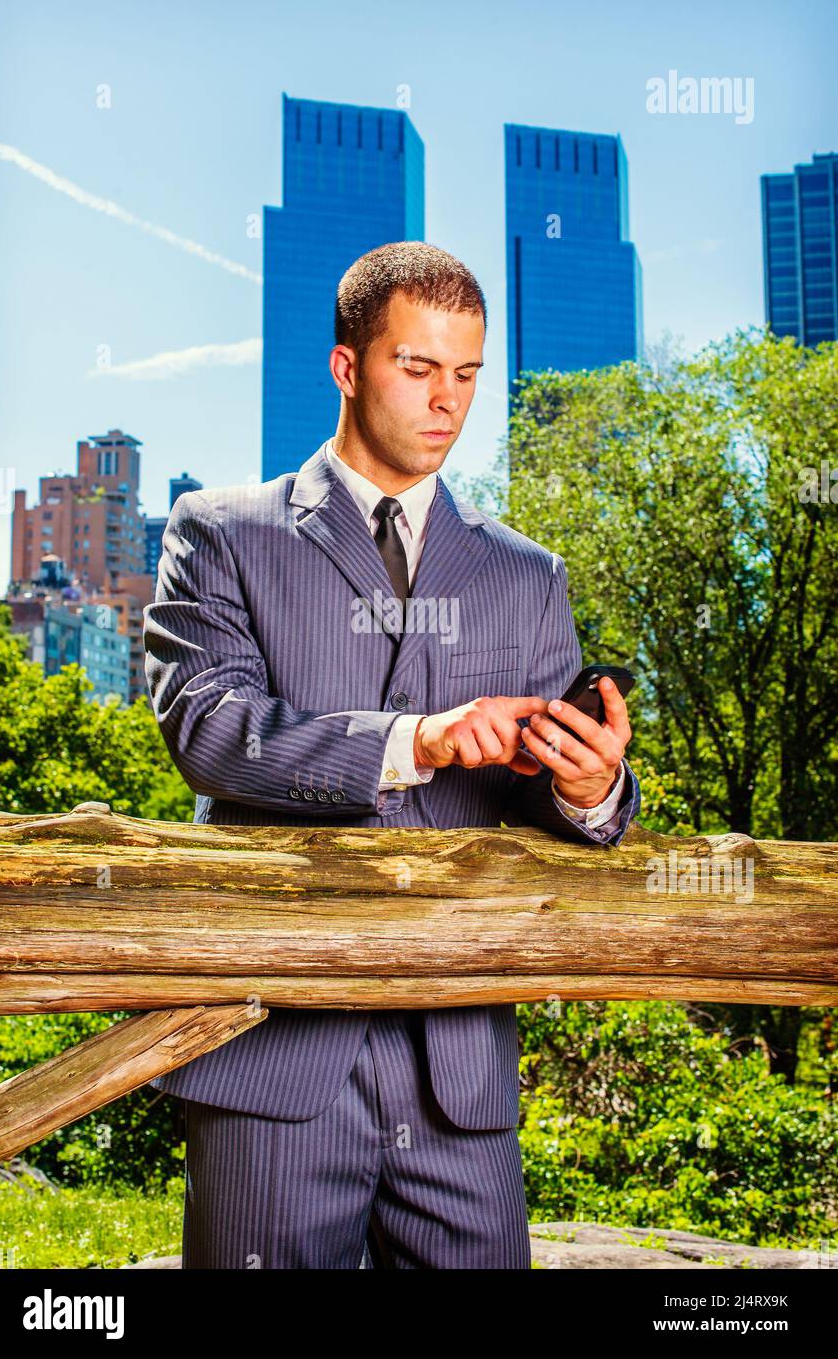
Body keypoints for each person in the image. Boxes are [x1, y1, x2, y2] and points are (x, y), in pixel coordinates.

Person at [143, 240, 641, 1269]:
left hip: (457, 1072)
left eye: (466, 374)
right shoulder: (222, 533)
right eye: (417, 369)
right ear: (346, 367)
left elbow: (553, 811)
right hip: (274, 1051)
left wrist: (592, 787)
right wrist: (418, 741)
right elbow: (209, 729)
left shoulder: (526, 574)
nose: (446, 402)